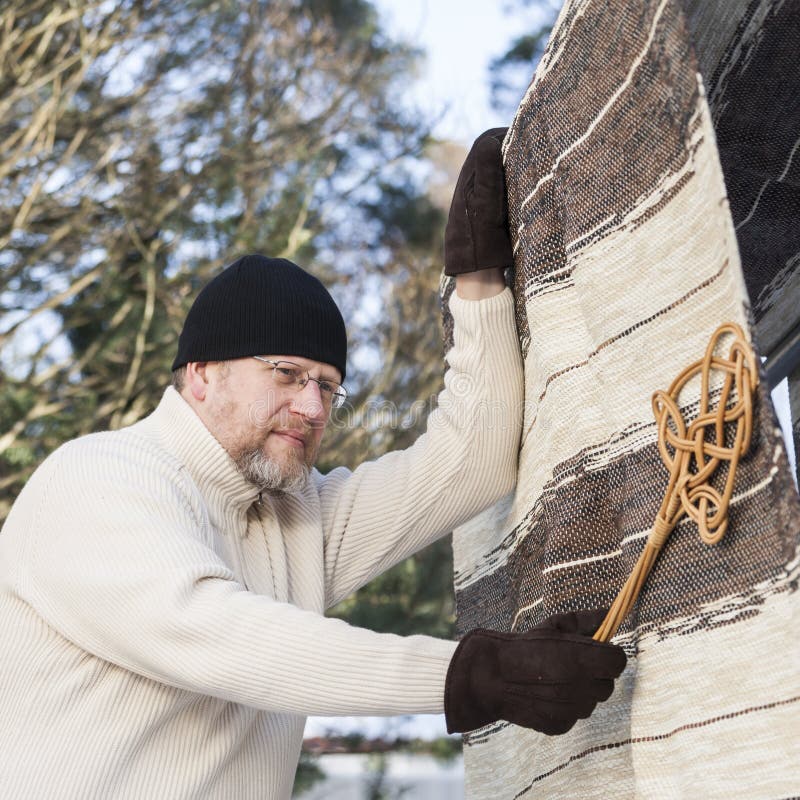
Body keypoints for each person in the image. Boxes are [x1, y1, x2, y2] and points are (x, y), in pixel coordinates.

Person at [0, 129, 625, 799]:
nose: (311, 406)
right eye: (287, 373)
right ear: (202, 374)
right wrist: (475, 675)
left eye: (328, 386)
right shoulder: (97, 480)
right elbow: (224, 638)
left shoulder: (293, 515)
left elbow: (471, 461)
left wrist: (477, 281)